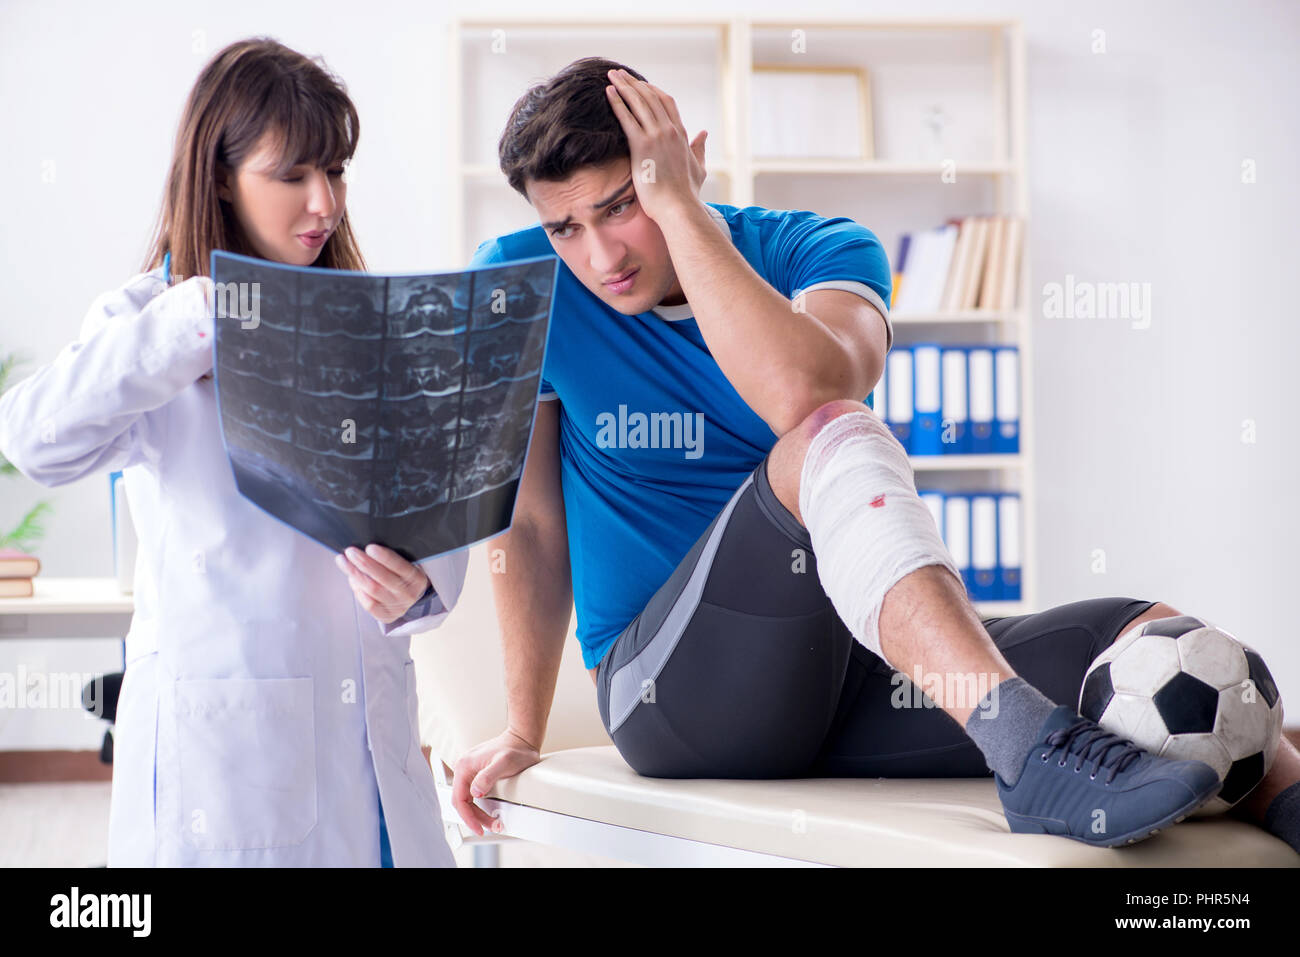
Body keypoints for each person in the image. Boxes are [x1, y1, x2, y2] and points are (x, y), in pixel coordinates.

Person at [451, 56, 1300, 852]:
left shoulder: (819, 248)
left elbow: (811, 379)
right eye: (563, 225)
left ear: (680, 165)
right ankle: (1026, 748)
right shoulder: (515, 282)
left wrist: (680, 213)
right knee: (827, 435)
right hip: (669, 694)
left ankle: (1287, 801)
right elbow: (528, 524)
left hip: (840, 680)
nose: (599, 256)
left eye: (619, 206)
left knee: (1146, 638)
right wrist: (523, 731)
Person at [0, 38, 467, 867]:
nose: (325, 201)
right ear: (219, 174)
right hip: (231, 764)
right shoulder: (153, 322)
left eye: (337, 170)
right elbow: (35, 439)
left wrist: (425, 578)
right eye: (292, 175)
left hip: (379, 752)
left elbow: (438, 510)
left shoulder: (373, 320)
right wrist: (194, 323)